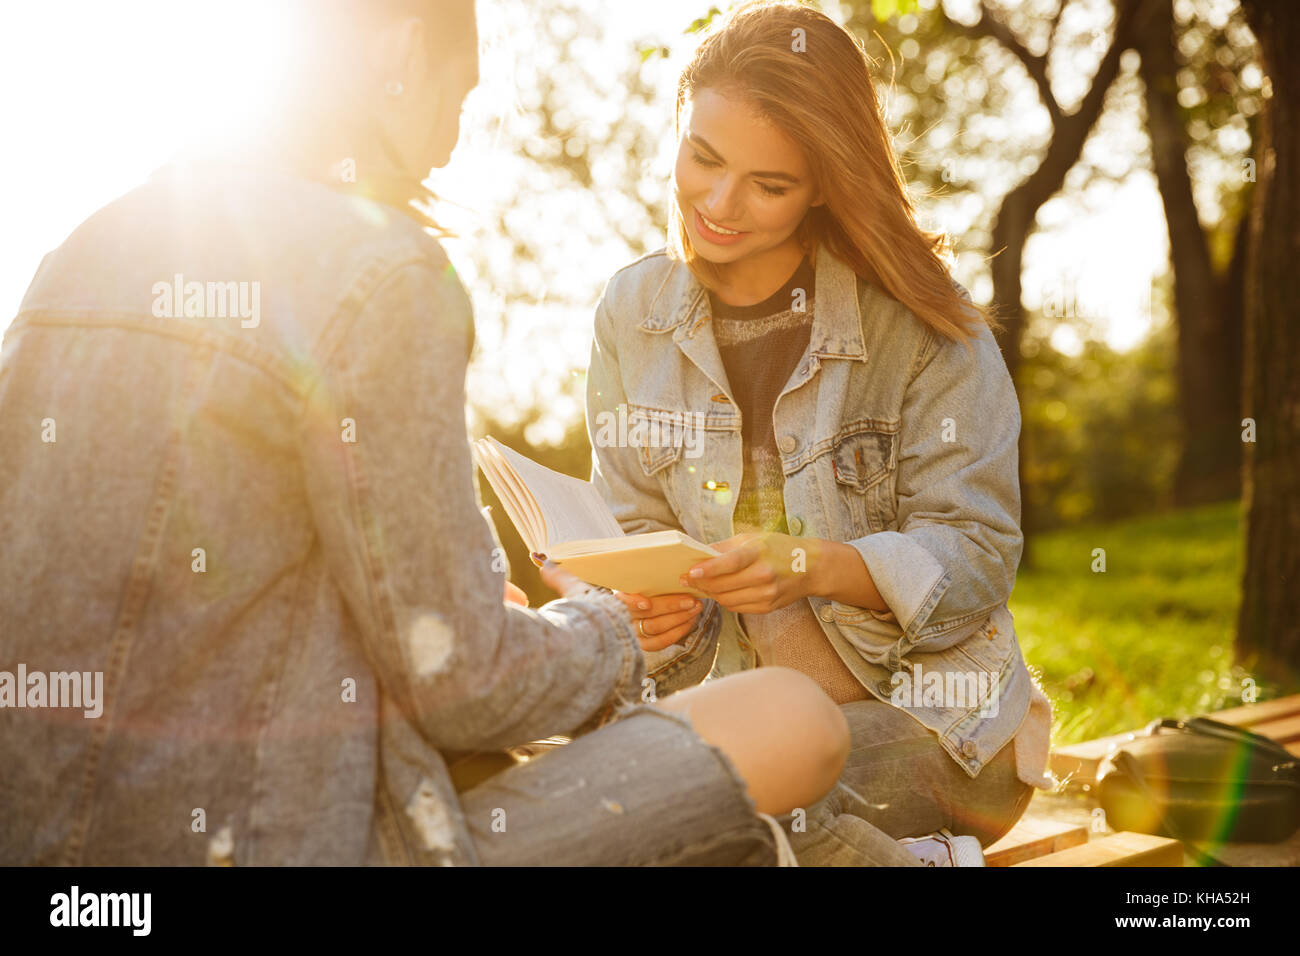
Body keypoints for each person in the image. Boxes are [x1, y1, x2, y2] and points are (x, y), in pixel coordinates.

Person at [0, 0, 850, 866]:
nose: (450, 140)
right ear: (403, 50)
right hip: (299, 835)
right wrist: (609, 626)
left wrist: (470, 615)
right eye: (460, 97)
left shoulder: (75, 257)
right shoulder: (378, 270)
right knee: (790, 719)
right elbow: (462, 688)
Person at [585, 0, 1056, 866]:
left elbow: (979, 553)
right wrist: (652, 606)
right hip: (743, 714)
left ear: (825, 184)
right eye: (703, 158)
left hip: (931, 727)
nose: (720, 204)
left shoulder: (925, 325)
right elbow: (634, 527)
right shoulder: (631, 312)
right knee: (637, 801)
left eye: (770, 185)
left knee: (693, 811)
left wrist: (812, 565)